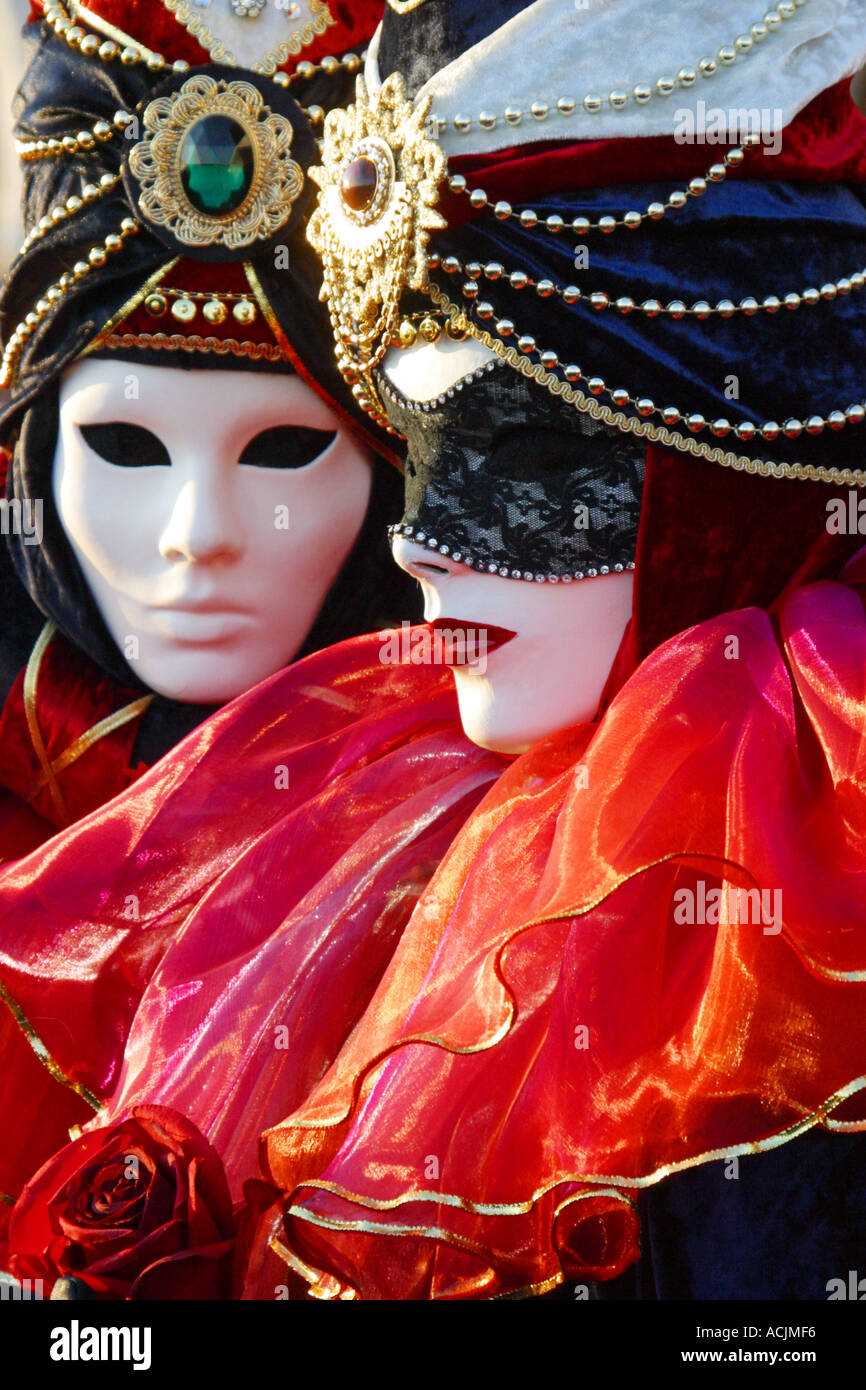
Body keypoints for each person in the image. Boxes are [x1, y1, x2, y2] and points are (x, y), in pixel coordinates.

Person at [6, 0, 866, 1301]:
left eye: (525, 453)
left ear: (736, 473)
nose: (418, 546)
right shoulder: (363, 787)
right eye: (420, 453)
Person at [0, 0, 417, 861]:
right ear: (29, 463)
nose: (201, 535)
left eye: (284, 448)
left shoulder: (497, 804)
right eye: (124, 444)